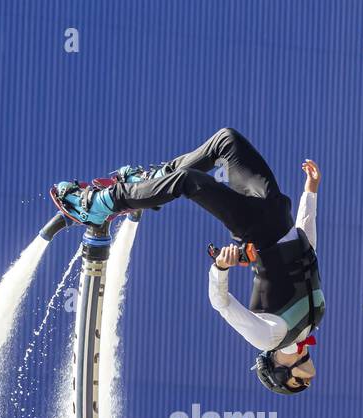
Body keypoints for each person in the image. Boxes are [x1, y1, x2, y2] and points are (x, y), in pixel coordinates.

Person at [51, 128, 324, 394]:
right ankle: (126, 193)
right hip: (269, 215)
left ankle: (116, 197)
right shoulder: (291, 329)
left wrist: (220, 268)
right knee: (221, 146)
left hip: (266, 219)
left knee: (198, 170)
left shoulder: (292, 327)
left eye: (296, 382)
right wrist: (309, 193)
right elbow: (302, 249)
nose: (305, 380)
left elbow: (225, 302)